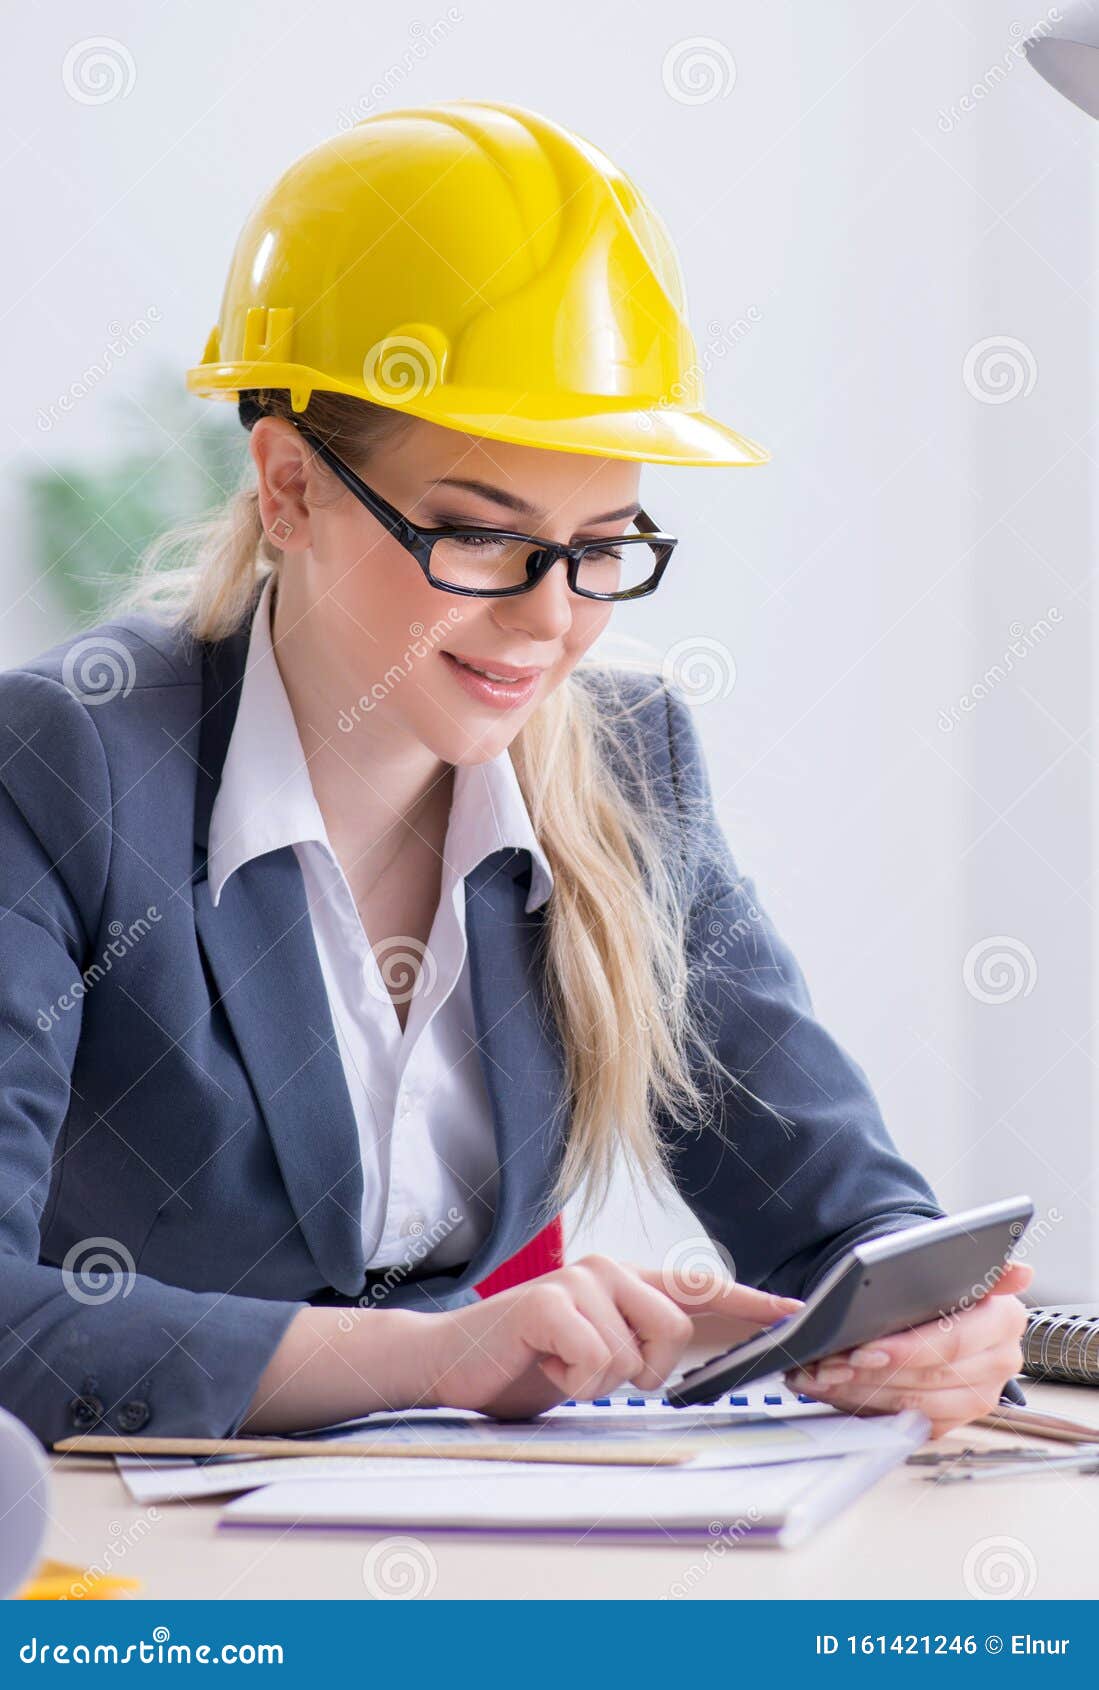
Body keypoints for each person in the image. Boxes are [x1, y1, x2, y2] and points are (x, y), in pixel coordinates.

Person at [0, 101, 1028, 1449]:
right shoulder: (66, 765)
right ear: (290, 487)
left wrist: (928, 1322)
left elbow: (846, 1211)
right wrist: (426, 1354)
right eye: (480, 539)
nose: (553, 618)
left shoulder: (625, 766)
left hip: (497, 1546)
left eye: (605, 544)